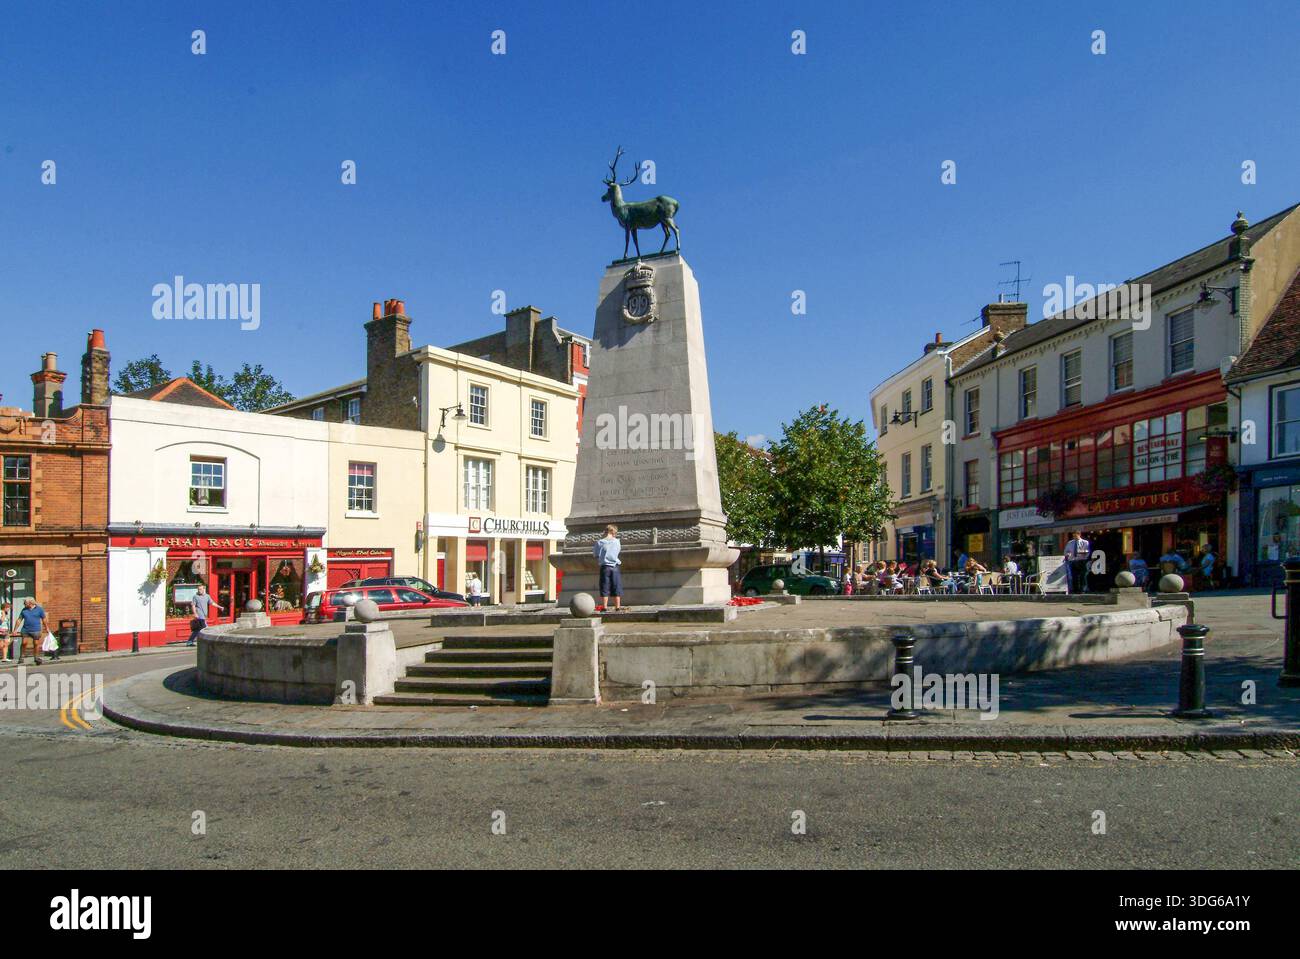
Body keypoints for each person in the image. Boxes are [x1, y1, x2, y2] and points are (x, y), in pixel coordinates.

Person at [593, 524, 623, 611]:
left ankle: (605, 607)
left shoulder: (599, 542)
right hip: (615, 567)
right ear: (613, 532)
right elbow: (618, 551)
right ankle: (617, 607)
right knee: (616, 586)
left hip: (605, 567)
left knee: (604, 586)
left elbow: (595, 555)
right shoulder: (617, 541)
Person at [15, 597, 48, 665]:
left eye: (25, 603)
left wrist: (46, 627)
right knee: (24, 643)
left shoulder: (39, 609)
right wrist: (15, 630)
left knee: (36, 644)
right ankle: (21, 657)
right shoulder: (24, 610)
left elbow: (44, 619)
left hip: (36, 629)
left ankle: (36, 657)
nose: (24, 604)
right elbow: (19, 620)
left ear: (30, 603)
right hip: (25, 629)